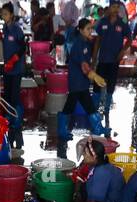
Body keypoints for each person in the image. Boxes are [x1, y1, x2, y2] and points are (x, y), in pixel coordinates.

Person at [57, 17, 103, 154]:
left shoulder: (85, 42)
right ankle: (63, 130)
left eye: (91, 28)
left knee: (80, 104)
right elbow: (84, 66)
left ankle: (96, 127)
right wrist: (94, 76)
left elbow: (86, 64)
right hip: (77, 81)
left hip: (81, 81)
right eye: (88, 29)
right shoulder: (79, 45)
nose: (91, 31)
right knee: (73, 105)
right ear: (81, 30)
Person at [64, 138, 122, 202]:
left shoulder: (101, 172)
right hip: (108, 200)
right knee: (81, 187)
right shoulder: (101, 164)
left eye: (85, 154)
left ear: (94, 156)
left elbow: (93, 201)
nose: (83, 155)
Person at [92, 1, 129, 116]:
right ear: (109, 8)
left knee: (111, 84)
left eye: (117, 7)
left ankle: (107, 108)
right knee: (97, 83)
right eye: (114, 7)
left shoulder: (122, 23)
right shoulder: (102, 22)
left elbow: (130, 39)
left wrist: (123, 51)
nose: (116, 9)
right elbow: (97, 41)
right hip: (102, 59)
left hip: (114, 60)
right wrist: (94, 58)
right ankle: (94, 108)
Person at [0, 3, 26, 150]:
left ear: (11, 14)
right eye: (2, 14)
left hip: (16, 69)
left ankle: (17, 122)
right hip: (7, 69)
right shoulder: (5, 28)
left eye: (5, 14)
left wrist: (14, 59)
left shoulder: (16, 29)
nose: (3, 16)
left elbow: (23, 47)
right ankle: (10, 119)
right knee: (8, 96)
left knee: (15, 96)